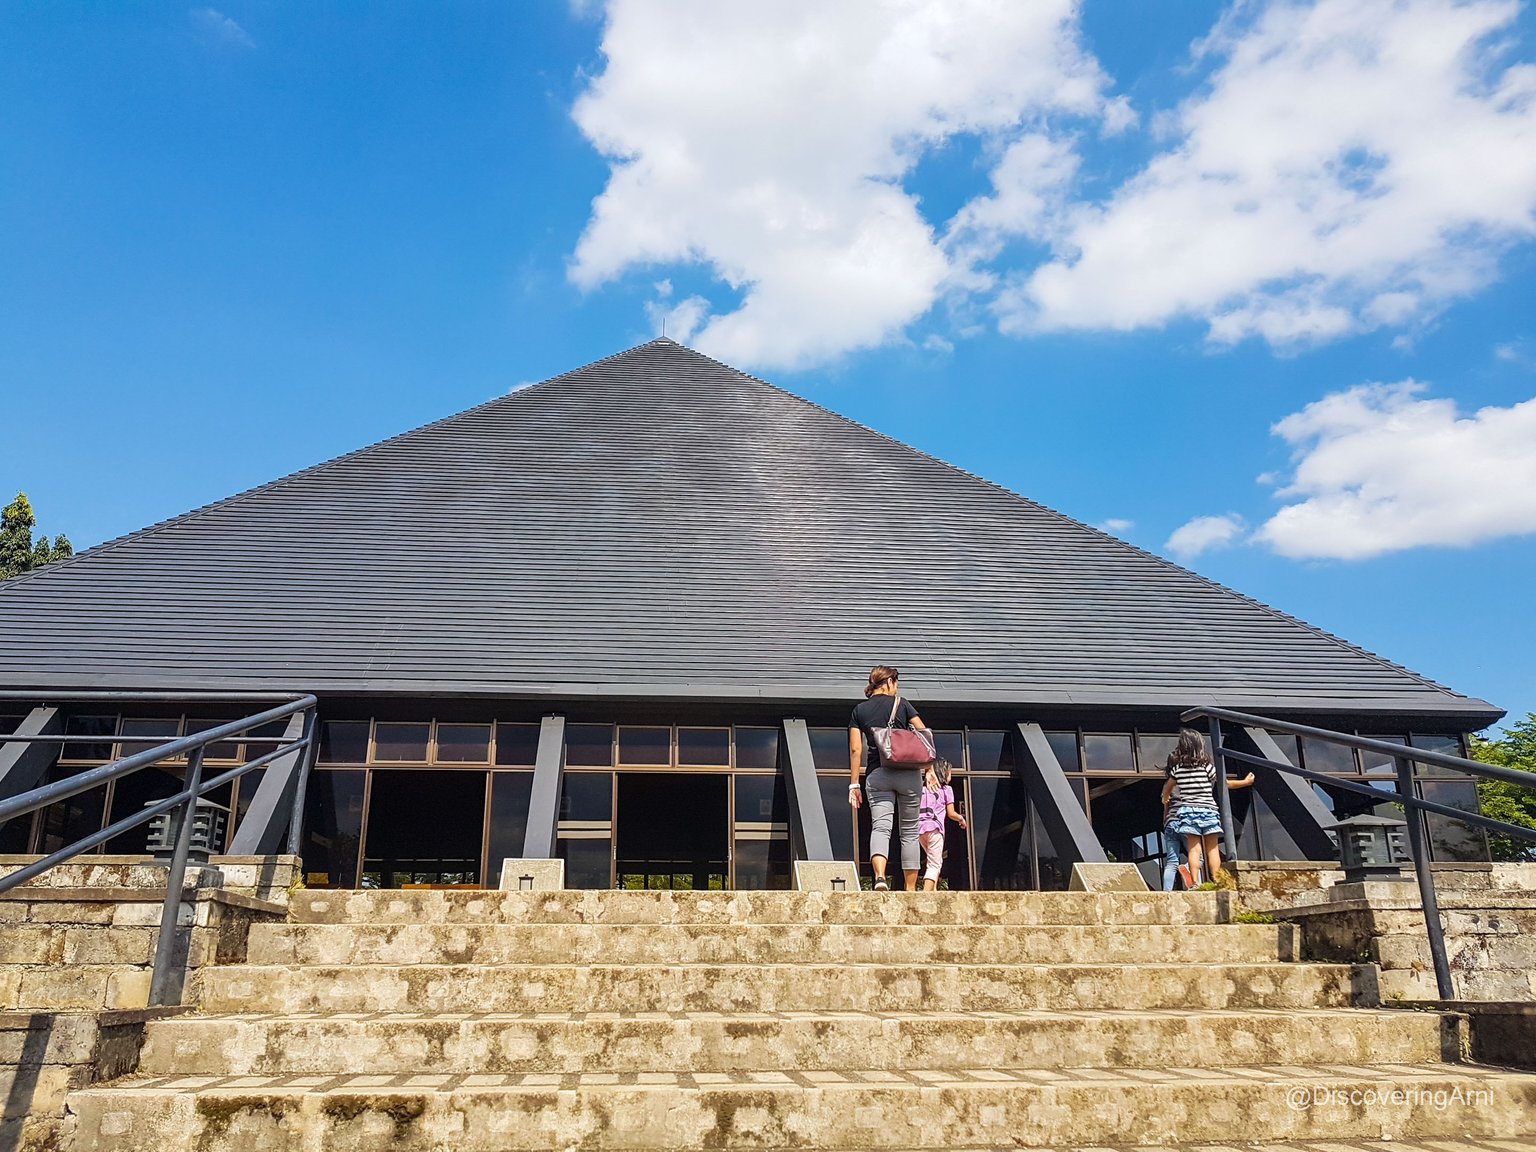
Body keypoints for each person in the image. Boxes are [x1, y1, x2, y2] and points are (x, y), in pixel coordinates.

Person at [848, 665, 930, 891]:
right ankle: (911, 889)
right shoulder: (902, 704)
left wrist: (854, 784)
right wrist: (930, 768)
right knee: (910, 832)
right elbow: (923, 733)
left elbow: (856, 750)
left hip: (878, 774)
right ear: (890, 682)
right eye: (897, 683)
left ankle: (880, 878)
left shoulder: (859, 711)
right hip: (909, 775)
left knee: (881, 828)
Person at [1159, 728, 1255, 886]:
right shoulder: (1206, 767)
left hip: (1189, 812)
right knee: (1212, 849)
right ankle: (1218, 881)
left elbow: (1167, 787)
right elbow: (1224, 783)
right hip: (1208, 810)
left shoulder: (1178, 770)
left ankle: (1195, 882)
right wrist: (1245, 782)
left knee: (1194, 849)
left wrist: (1166, 797)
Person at [918, 759, 966, 892]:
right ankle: (926, 894)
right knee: (934, 864)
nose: (951, 775)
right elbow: (951, 813)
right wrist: (961, 818)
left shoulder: (922, 789)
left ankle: (933, 891)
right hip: (935, 828)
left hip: (920, 830)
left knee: (933, 859)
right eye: (950, 772)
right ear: (943, 773)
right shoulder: (946, 789)